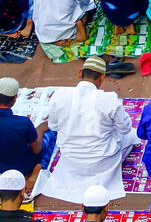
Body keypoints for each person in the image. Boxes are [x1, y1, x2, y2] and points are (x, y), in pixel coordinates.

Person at [41, 56, 140, 204]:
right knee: (132, 134)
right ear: (102, 76)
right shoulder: (110, 99)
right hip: (102, 162)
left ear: (80, 73)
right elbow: (125, 129)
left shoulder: (60, 95)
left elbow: (53, 126)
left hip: (72, 161)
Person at [0, 77, 53, 195]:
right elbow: (36, 150)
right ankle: (37, 170)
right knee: (52, 135)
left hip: (2, 168)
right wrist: (41, 129)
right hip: (26, 166)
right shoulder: (23, 123)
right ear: (14, 99)